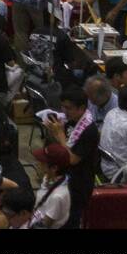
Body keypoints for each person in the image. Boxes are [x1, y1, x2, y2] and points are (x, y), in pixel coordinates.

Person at [41, 86, 100, 228]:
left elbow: (72, 159)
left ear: (82, 108)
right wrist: (53, 132)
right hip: (62, 179)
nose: (64, 112)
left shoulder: (89, 130)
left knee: (69, 222)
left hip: (78, 185)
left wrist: (60, 136)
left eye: (69, 108)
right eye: (63, 107)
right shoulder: (69, 121)